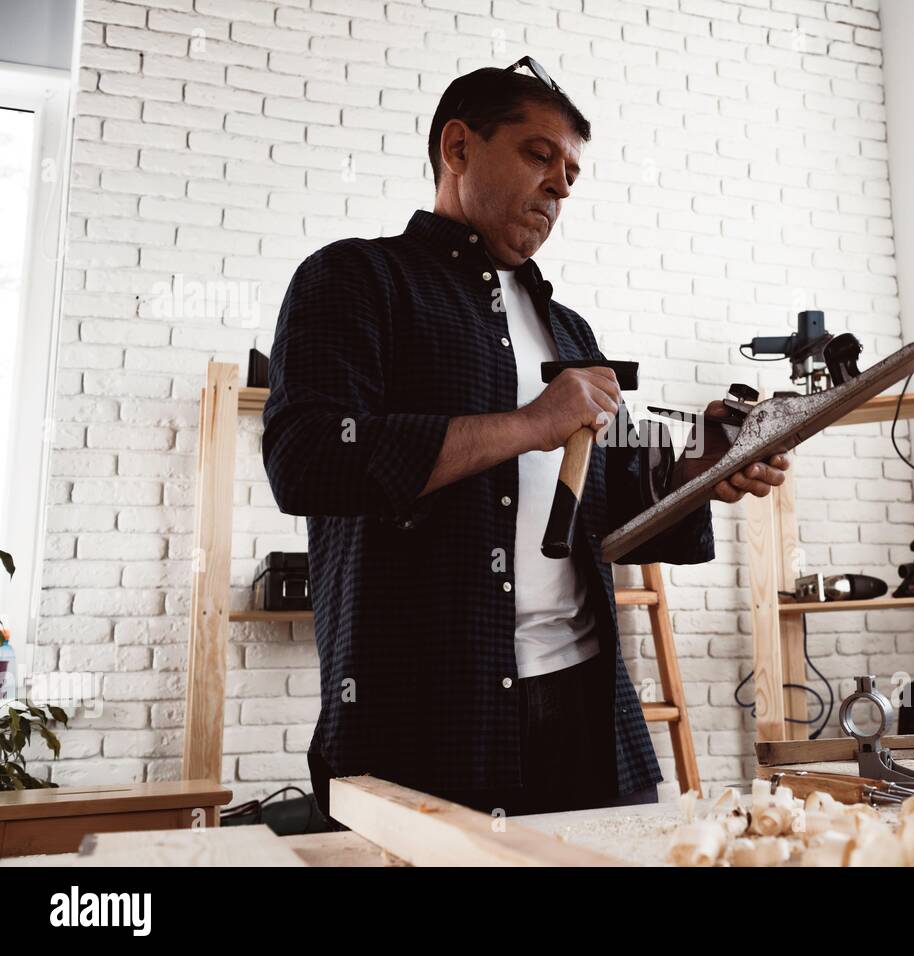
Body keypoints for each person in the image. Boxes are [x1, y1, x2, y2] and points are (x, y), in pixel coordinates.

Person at [262, 58, 789, 823]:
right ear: (458, 147)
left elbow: (605, 510)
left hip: (589, 711)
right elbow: (307, 459)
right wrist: (530, 425)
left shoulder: (570, 330)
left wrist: (711, 466)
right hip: (422, 716)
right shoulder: (355, 278)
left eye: (572, 170)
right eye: (540, 155)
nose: (562, 185)